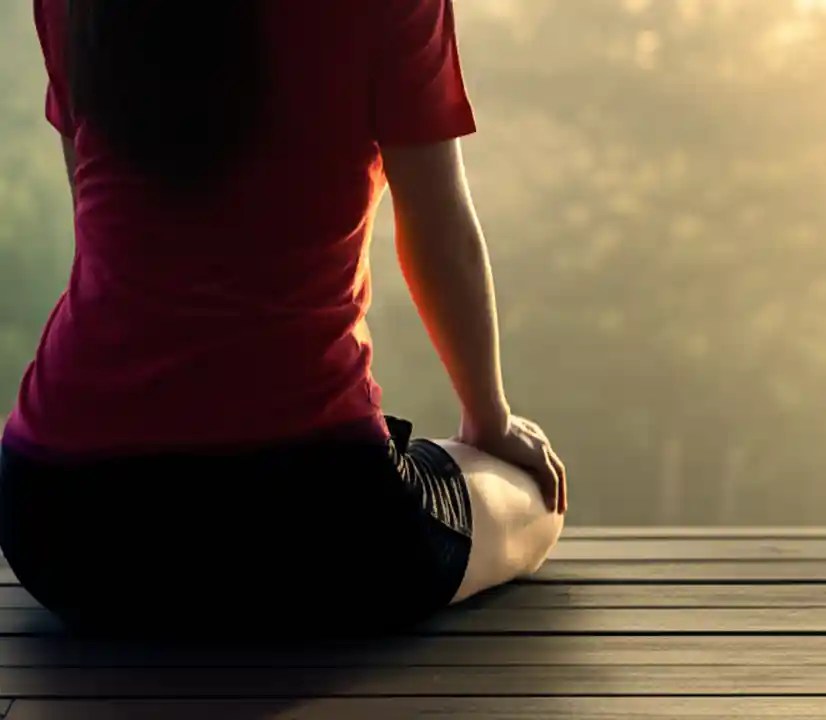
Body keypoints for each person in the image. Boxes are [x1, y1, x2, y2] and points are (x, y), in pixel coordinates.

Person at [0, 0, 567, 637]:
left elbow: (93, 216)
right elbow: (440, 231)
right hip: (315, 516)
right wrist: (489, 421)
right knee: (533, 499)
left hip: (64, 522)